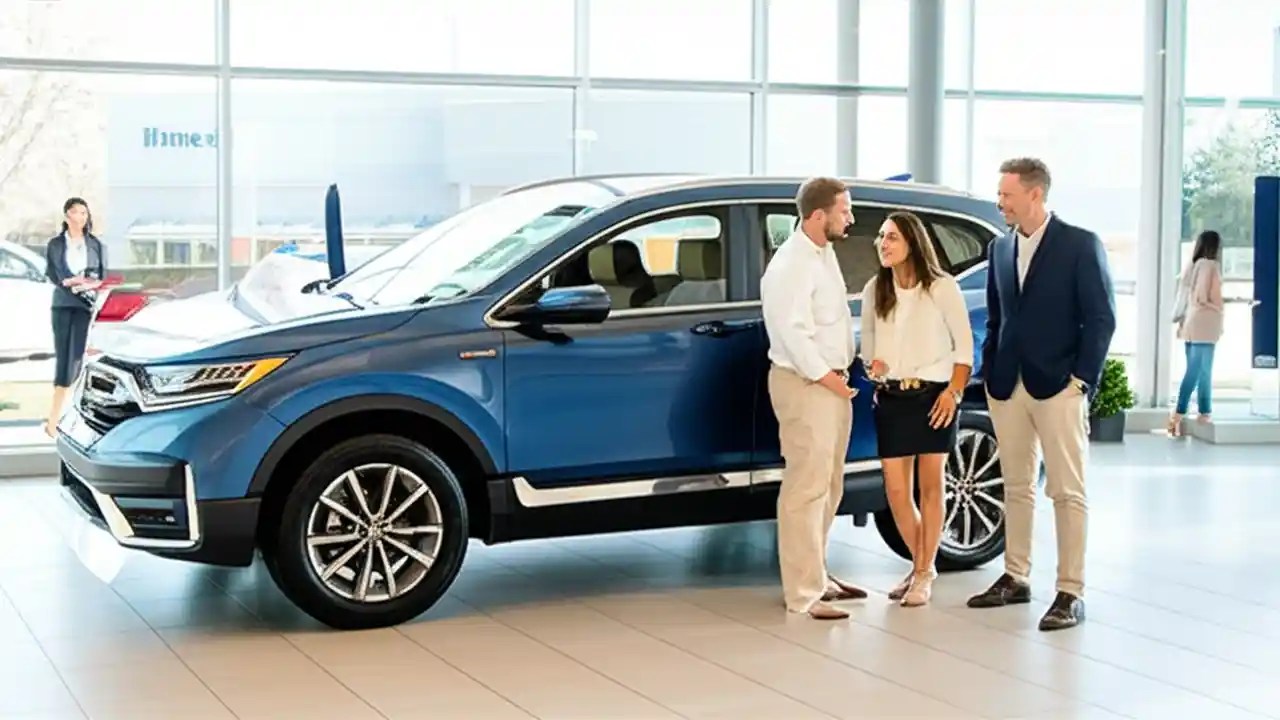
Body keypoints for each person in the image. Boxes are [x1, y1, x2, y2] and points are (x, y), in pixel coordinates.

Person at [967, 158, 1116, 631]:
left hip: (1059, 388)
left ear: (1035, 194)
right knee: (1015, 486)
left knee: (1068, 491)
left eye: (1007, 195)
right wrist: (991, 372)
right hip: (1007, 386)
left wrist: (1081, 382)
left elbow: (1100, 319)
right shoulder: (999, 247)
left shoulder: (1079, 245)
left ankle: (1071, 591)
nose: (1000, 202)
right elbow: (996, 318)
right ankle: (1016, 577)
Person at [760, 176, 866, 621]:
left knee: (830, 485)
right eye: (844, 211)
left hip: (831, 385)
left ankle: (818, 573)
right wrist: (828, 378)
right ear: (818, 215)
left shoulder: (824, 255)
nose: (852, 218)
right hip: (808, 386)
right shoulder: (792, 265)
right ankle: (803, 593)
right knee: (806, 488)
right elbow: (793, 334)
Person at [858, 211, 973, 607]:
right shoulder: (877, 288)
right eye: (881, 237)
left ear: (912, 242)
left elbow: (964, 347)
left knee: (931, 487)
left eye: (891, 237)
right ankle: (922, 563)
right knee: (895, 491)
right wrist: (872, 366)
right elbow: (869, 344)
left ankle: (922, 573)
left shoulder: (941, 287)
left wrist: (953, 393)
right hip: (892, 397)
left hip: (935, 396)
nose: (882, 244)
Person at [44, 197, 106, 436]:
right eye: (75, 213)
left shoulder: (96, 245)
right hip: (62, 305)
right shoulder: (56, 244)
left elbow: (101, 275)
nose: (80, 217)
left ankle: (74, 418)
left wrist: (88, 283)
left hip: (85, 306)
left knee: (79, 360)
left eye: (83, 213)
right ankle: (53, 420)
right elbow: (55, 272)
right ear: (66, 216)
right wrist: (71, 281)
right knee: (63, 361)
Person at [1168, 230, 1224, 435]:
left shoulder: (1192, 265)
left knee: (1201, 370)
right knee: (1197, 370)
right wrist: (1221, 306)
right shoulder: (1210, 266)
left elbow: (1188, 297)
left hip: (1191, 324)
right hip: (1205, 324)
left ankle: (1204, 411)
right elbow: (1205, 297)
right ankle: (1178, 414)